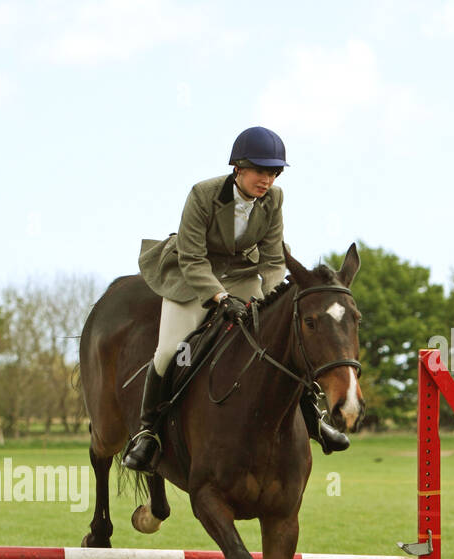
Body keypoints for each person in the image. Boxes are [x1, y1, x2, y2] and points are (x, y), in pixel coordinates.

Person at [123, 126, 348, 472]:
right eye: (261, 171)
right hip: (191, 277)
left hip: (242, 276)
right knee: (170, 350)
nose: (267, 180)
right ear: (238, 168)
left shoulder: (274, 199)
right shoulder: (203, 194)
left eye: (274, 172)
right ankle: (149, 432)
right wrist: (218, 296)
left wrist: (275, 298)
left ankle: (314, 419)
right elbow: (192, 258)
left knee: (281, 335)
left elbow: (273, 260)